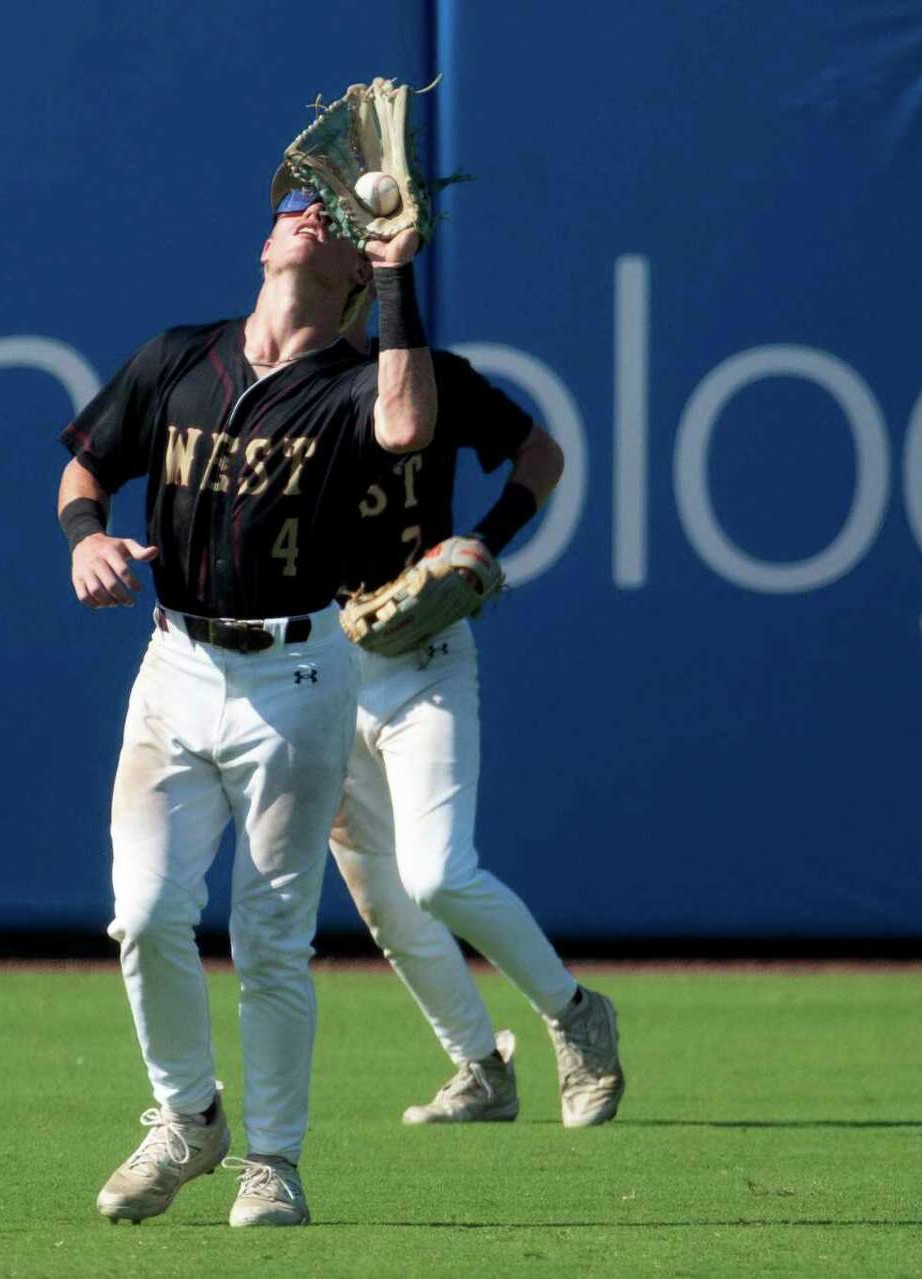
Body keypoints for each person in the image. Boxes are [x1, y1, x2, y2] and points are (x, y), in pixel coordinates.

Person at [56, 178, 435, 1227]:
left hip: (297, 677)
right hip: (175, 666)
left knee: (270, 938)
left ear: (357, 270)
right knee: (142, 913)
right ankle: (187, 1118)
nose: (311, 215)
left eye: (336, 219)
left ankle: (273, 1162)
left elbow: (406, 428)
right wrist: (85, 535)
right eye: (297, 203)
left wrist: (399, 270)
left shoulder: (361, 374)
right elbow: (85, 466)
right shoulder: (181, 354)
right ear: (264, 237)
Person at [328, 313, 625, 1127]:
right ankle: (480, 1069)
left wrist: (484, 539)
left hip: (422, 656)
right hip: (321, 669)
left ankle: (576, 1016)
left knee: (436, 873)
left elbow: (544, 455)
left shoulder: (433, 379)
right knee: (385, 900)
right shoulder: (280, 388)